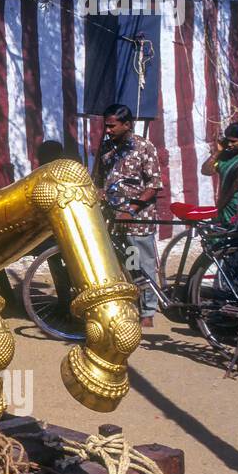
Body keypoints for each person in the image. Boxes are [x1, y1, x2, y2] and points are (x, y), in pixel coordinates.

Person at [95, 103, 163, 327]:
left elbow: (153, 186)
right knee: (121, 264)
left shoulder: (144, 148)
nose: (107, 130)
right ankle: (127, 305)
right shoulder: (105, 150)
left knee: (141, 264)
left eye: (112, 126)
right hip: (113, 220)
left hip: (137, 221)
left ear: (127, 124)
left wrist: (131, 210)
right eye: (106, 126)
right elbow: (98, 181)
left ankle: (147, 310)